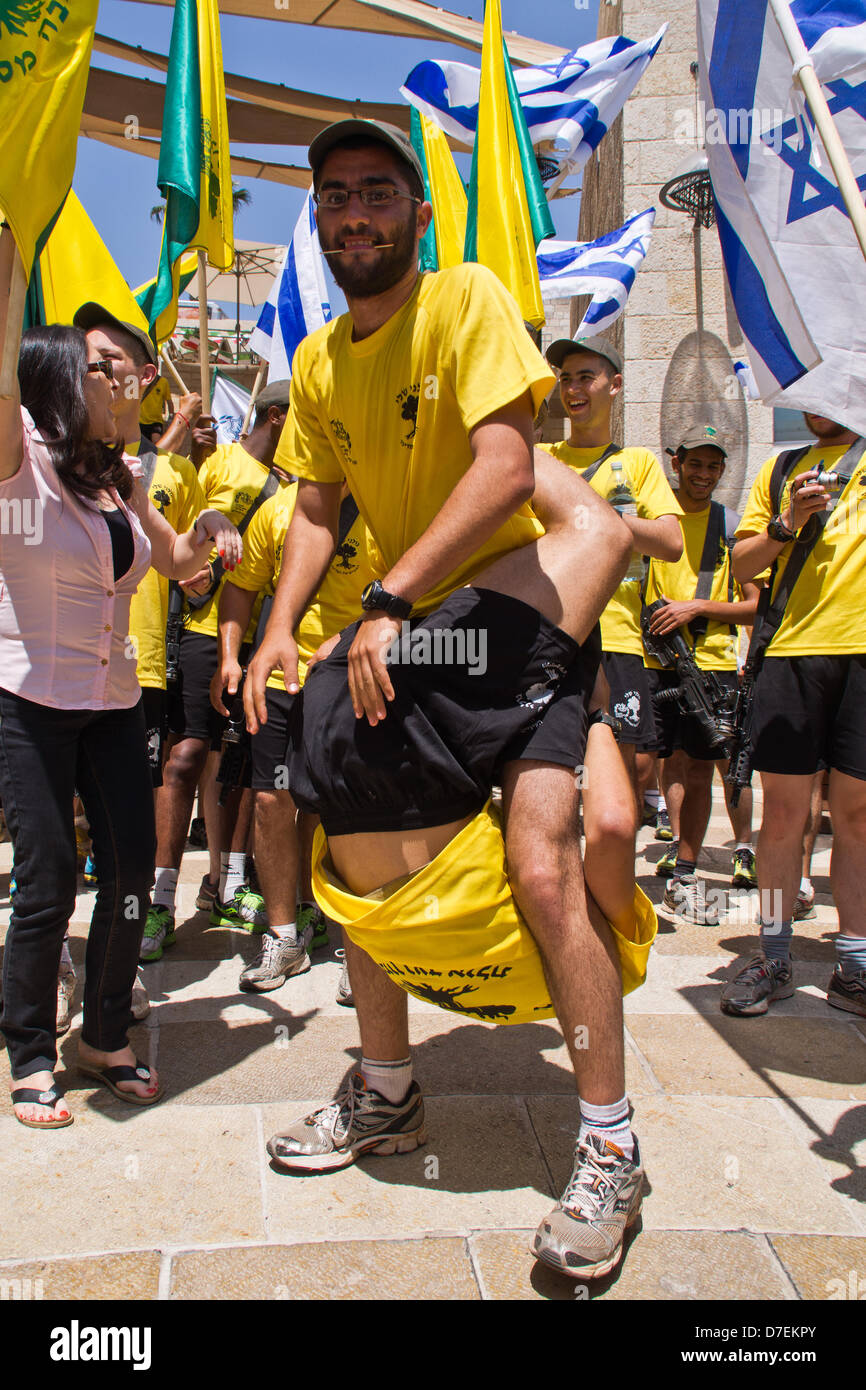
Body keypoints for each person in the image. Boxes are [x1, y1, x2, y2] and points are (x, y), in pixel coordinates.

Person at [245, 119, 651, 1281]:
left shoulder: (465, 297)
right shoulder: (319, 359)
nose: (356, 213)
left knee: (543, 865)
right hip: (420, 631)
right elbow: (316, 505)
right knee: (349, 813)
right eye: (335, 197)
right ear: (318, 220)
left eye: (379, 192)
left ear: (420, 216)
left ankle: (609, 1147)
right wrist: (278, 629)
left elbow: (505, 470)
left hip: (505, 619)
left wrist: (387, 597)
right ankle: (387, 1090)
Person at [0, 224, 241, 1126]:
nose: (125, 380)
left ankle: (103, 1032)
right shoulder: (17, 458)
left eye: (129, 369)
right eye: (104, 367)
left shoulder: (118, 476)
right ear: (59, 374)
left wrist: (212, 525)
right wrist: (10, 257)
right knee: (48, 876)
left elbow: (178, 562)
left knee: (131, 868)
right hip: (25, 700)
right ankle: (29, 1048)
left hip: (108, 699)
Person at [722, 412, 866, 1018]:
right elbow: (741, 566)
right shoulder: (781, 468)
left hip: (861, 652)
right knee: (783, 812)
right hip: (790, 653)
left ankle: (855, 966)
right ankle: (775, 954)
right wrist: (791, 520)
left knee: (858, 813)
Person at [143, 383, 291, 962]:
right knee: (182, 758)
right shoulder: (220, 460)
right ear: (277, 417)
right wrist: (185, 575)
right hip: (204, 634)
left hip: (261, 638)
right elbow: (173, 526)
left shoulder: (297, 485)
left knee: (242, 771)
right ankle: (158, 899)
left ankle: (227, 885)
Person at [212, 484, 377, 987]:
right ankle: (284, 938)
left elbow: (412, 591)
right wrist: (228, 658)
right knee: (270, 800)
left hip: (353, 675)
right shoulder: (278, 509)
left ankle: (361, 948)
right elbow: (241, 587)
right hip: (279, 676)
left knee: (351, 808)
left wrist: (354, 634)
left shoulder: (381, 501)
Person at [538, 335, 683, 807]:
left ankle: (610, 878)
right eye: (565, 379)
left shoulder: (636, 462)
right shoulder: (543, 460)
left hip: (617, 639)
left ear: (615, 385)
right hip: (552, 634)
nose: (574, 389)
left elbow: (671, 542)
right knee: (554, 771)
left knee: (621, 784)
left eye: (587, 377)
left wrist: (603, 519)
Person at [640, 425, 760, 923]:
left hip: (710, 665)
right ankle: (663, 845)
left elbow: (756, 607)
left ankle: (696, 862)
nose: (703, 474)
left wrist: (696, 608)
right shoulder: (653, 518)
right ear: (676, 464)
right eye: (695, 464)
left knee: (705, 766)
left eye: (714, 466)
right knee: (656, 763)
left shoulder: (732, 526)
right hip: (651, 662)